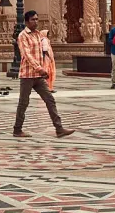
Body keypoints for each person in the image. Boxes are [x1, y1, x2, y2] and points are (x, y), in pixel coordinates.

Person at [13, 10, 74, 138]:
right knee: (23, 102)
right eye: (33, 20)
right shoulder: (23, 35)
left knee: (50, 99)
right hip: (27, 75)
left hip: (39, 76)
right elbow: (26, 54)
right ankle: (17, 129)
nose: (35, 22)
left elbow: (42, 52)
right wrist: (39, 68)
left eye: (36, 19)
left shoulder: (37, 35)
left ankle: (59, 128)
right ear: (26, 21)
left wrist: (43, 68)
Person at [106, 21, 115, 89]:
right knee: (114, 67)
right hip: (114, 52)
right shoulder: (113, 30)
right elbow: (109, 40)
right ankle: (114, 82)